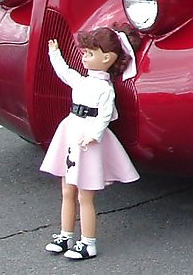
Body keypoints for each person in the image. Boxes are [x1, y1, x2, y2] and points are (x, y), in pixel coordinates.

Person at [41, 24, 141, 260]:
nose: (84, 57)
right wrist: (54, 53)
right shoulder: (83, 81)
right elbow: (64, 72)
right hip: (72, 130)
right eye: (84, 52)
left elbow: (106, 115)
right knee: (67, 190)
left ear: (106, 57)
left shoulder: (105, 89)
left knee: (84, 195)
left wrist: (95, 134)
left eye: (89, 53)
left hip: (88, 139)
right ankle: (66, 235)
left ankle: (88, 242)